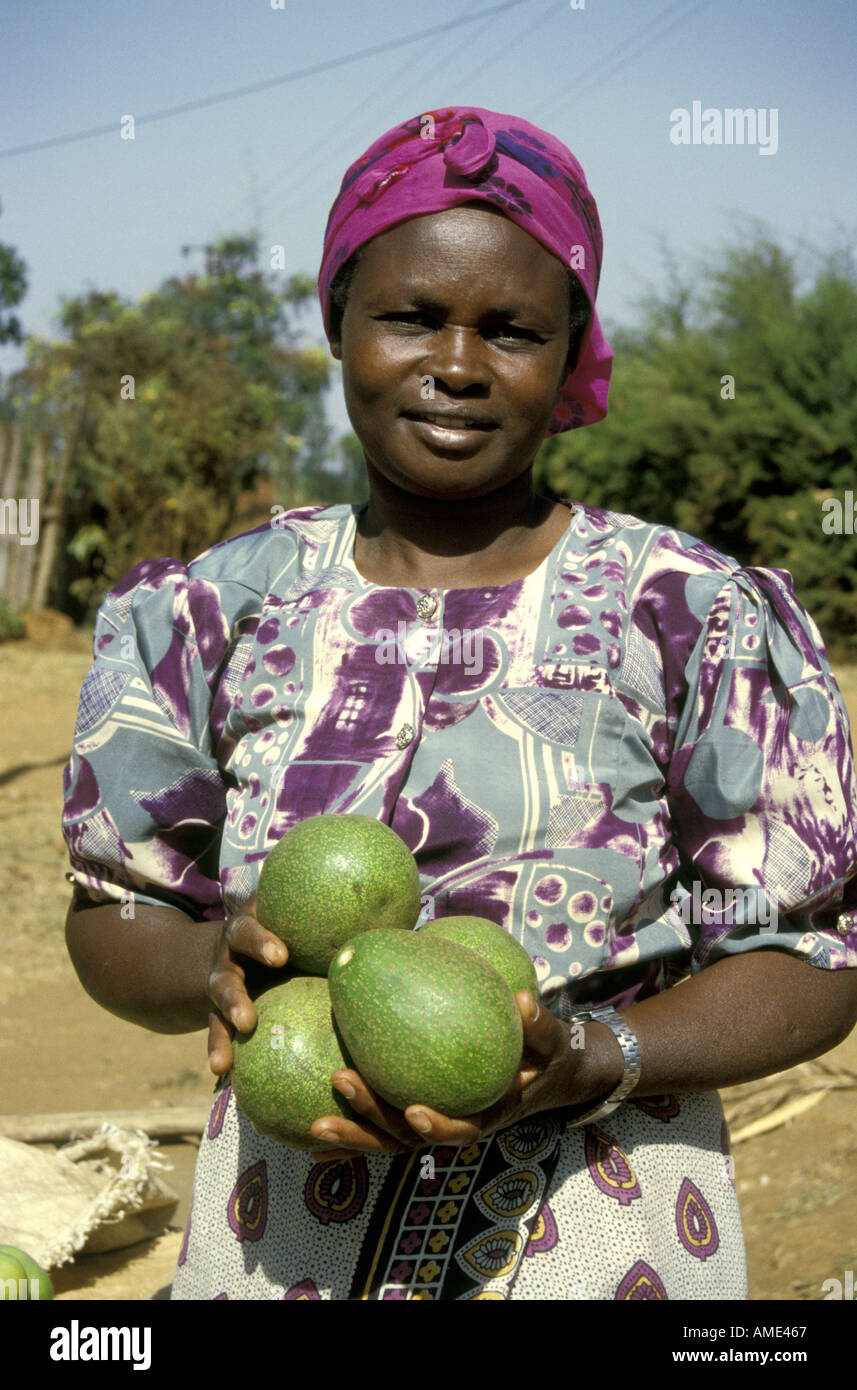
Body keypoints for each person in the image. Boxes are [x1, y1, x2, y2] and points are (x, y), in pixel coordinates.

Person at [62, 106, 857, 1302]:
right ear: (337, 321)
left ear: (570, 347)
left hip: (606, 1244)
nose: (458, 364)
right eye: (409, 316)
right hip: (276, 1249)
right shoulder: (204, 613)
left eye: (512, 330)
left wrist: (599, 1053)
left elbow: (810, 955)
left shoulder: (693, 614)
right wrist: (210, 968)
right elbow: (113, 916)